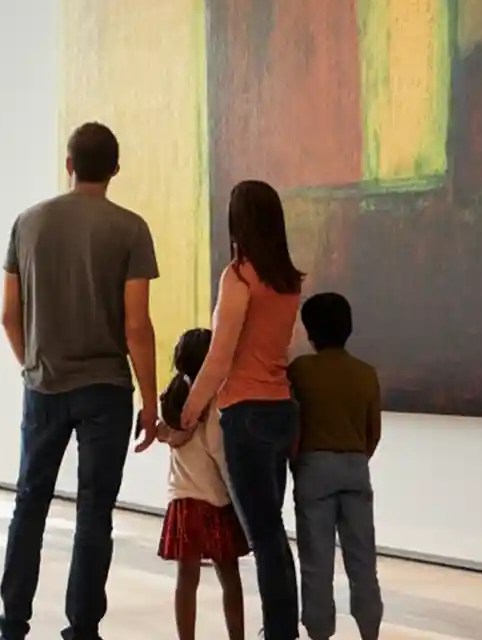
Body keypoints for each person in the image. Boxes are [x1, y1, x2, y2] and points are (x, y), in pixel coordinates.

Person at [0, 122, 161, 640]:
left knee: (30, 503)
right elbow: (137, 326)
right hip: (106, 392)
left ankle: (13, 624)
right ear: (115, 168)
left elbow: (8, 315)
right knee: (94, 512)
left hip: (44, 386)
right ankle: (82, 628)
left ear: (69, 164)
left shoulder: (28, 223)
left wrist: (33, 365)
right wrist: (151, 403)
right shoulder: (131, 229)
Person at [180, 180, 303, 640]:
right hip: (280, 410)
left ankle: (278, 633)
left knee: (265, 536)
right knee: (274, 533)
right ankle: (281, 628)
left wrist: (190, 410)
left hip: (246, 414)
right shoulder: (287, 281)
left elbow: (220, 356)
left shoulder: (239, 277)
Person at [288, 292, 384, 640]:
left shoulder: (299, 370)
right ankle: (370, 632)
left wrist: (297, 463)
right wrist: (355, 457)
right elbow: (374, 432)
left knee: (317, 565)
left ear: (310, 331)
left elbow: (293, 426)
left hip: (314, 467)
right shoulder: (366, 374)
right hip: (356, 465)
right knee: (363, 562)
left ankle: (319, 634)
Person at [156, 328, 248, 640]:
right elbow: (221, 458)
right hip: (214, 503)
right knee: (230, 577)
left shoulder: (174, 401)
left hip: (182, 501)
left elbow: (170, 437)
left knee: (186, 579)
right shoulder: (212, 407)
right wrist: (240, 501)